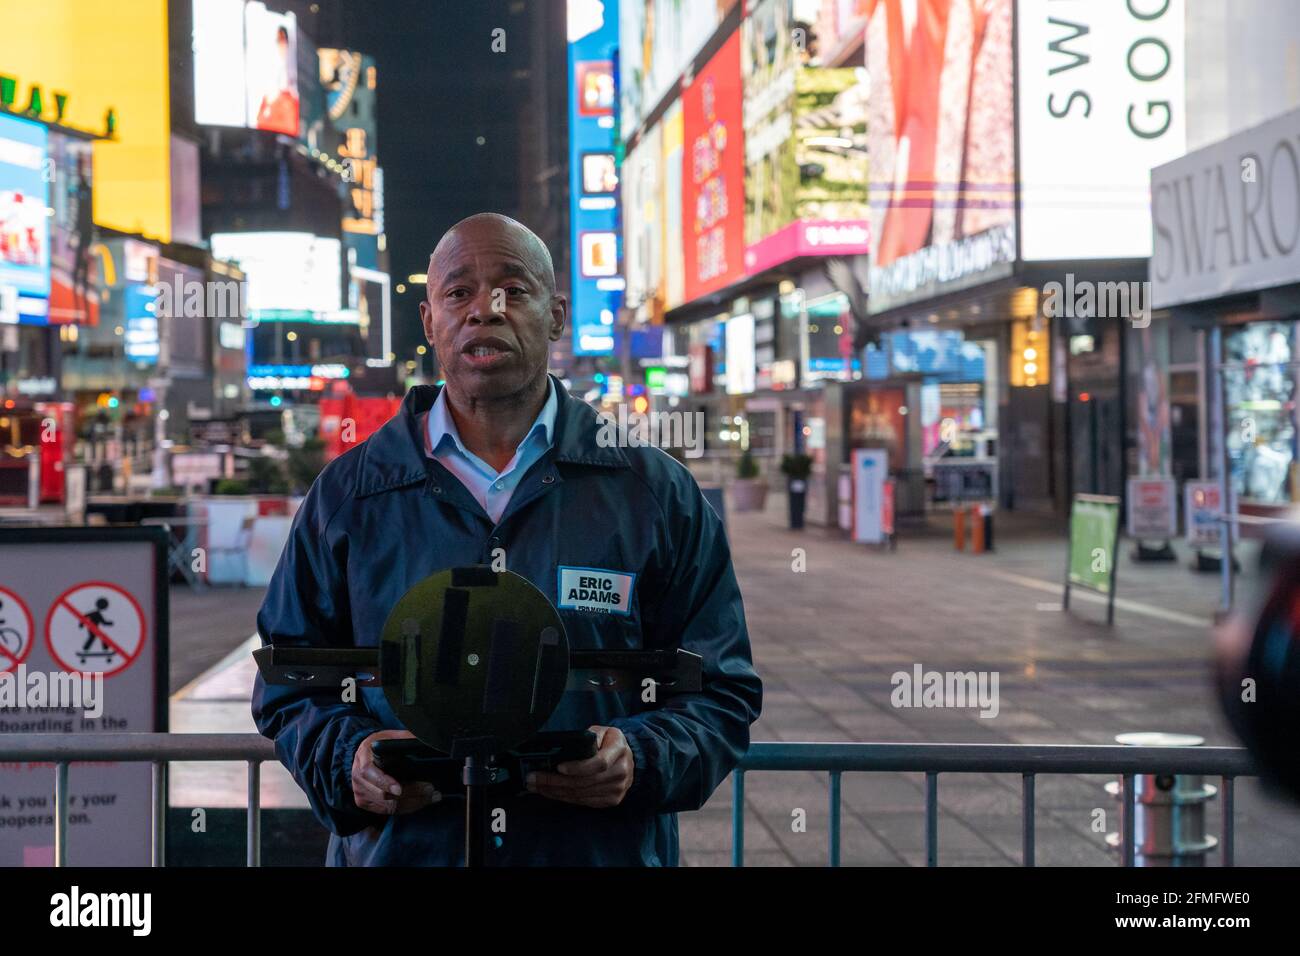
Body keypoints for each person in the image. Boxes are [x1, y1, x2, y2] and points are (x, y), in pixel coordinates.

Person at [252, 213, 762, 865]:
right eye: (459, 292)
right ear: (430, 320)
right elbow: (287, 678)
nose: (483, 312)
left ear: (555, 316)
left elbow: (722, 688)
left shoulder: (652, 492)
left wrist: (641, 757)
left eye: (512, 291)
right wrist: (348, 760)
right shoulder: (351, 496)